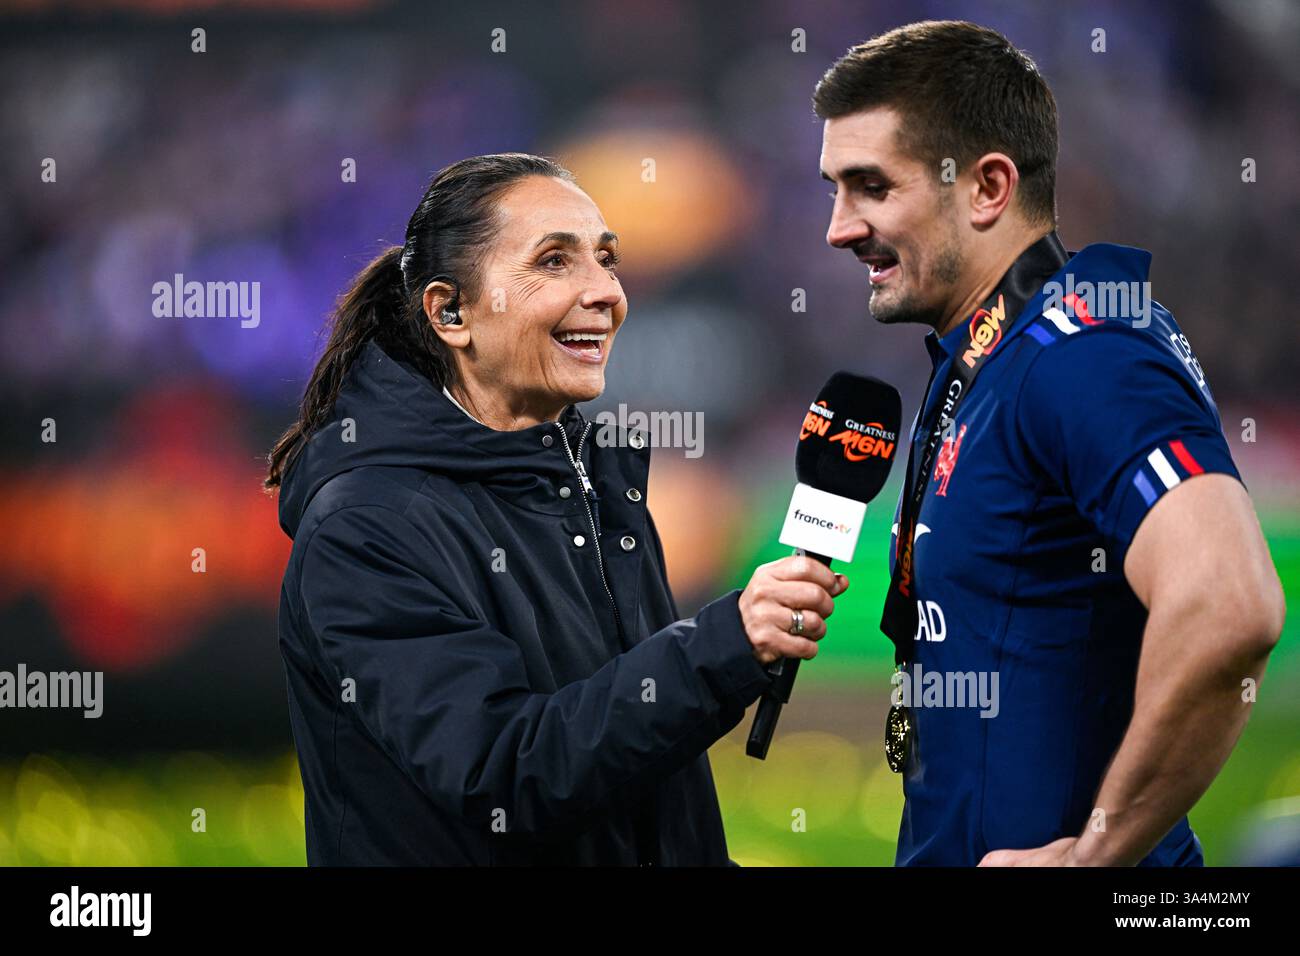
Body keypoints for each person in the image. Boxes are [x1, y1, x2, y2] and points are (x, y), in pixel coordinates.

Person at [266, 153, 847, 865]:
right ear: (451, 312)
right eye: (554, 262)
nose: (605, 291)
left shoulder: (597, 483)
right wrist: (723, 644)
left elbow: (640, 791)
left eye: (607, 260)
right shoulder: (366, 525)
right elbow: (507, 775)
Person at [814, 21, 1285, 866]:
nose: (839, 228)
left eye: (871, 187)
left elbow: (1230, 605)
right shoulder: (989, 356)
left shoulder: (1083, 352)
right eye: (834, 189)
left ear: (988, 186)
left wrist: (1094, 857)